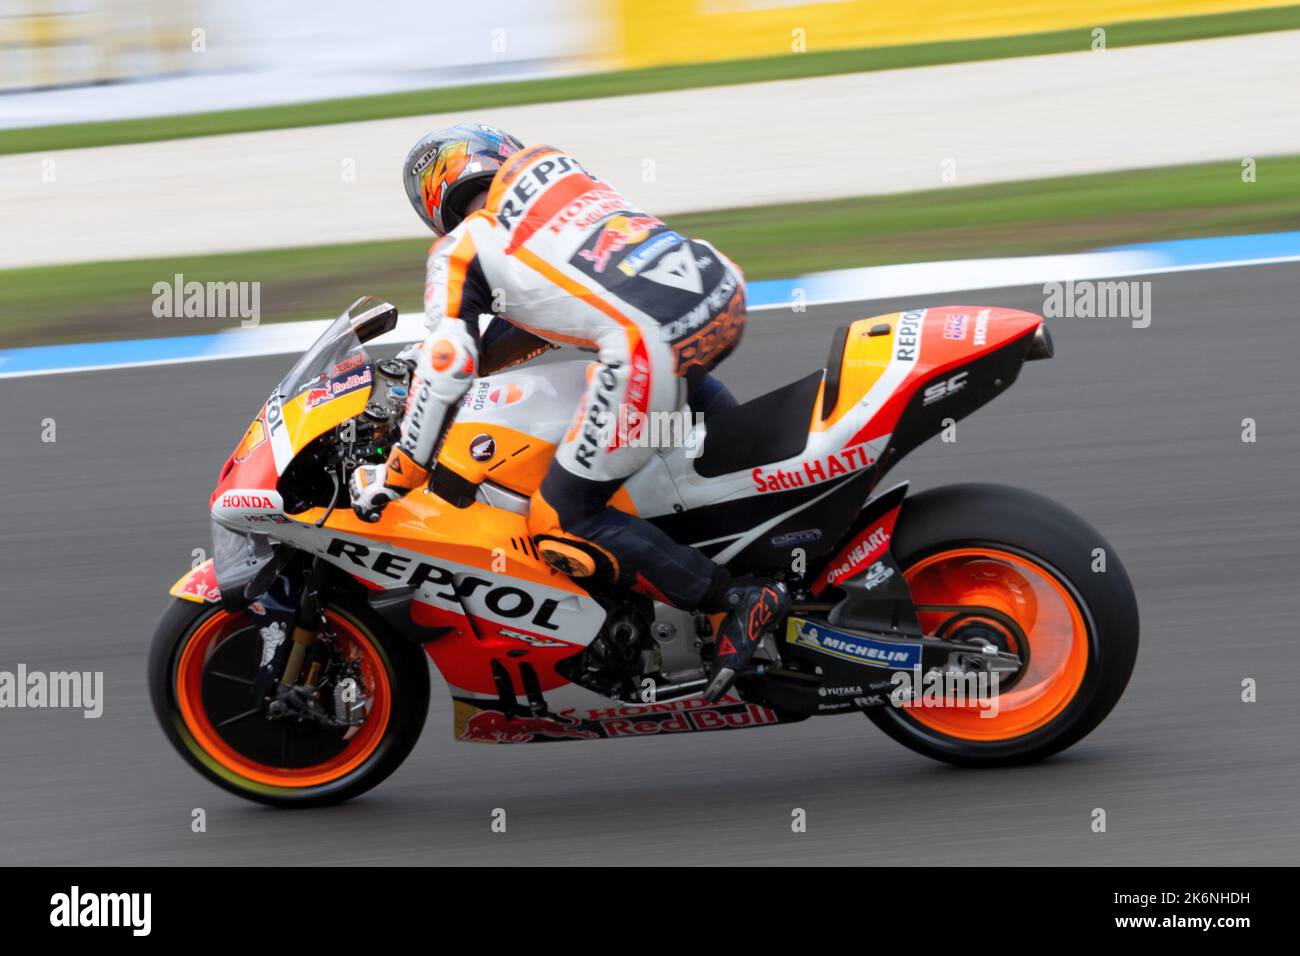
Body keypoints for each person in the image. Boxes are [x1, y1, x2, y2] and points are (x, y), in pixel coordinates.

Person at [349, 123, 788, 700]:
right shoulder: (557, 174)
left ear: (434, 201)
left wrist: (402, 466)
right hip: (720, 289)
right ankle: (737, 523)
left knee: (562, 516)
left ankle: (732, 599)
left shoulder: (461, 245)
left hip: (648, 346)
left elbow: (453, 357)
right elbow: (546, 304)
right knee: (646, 397)